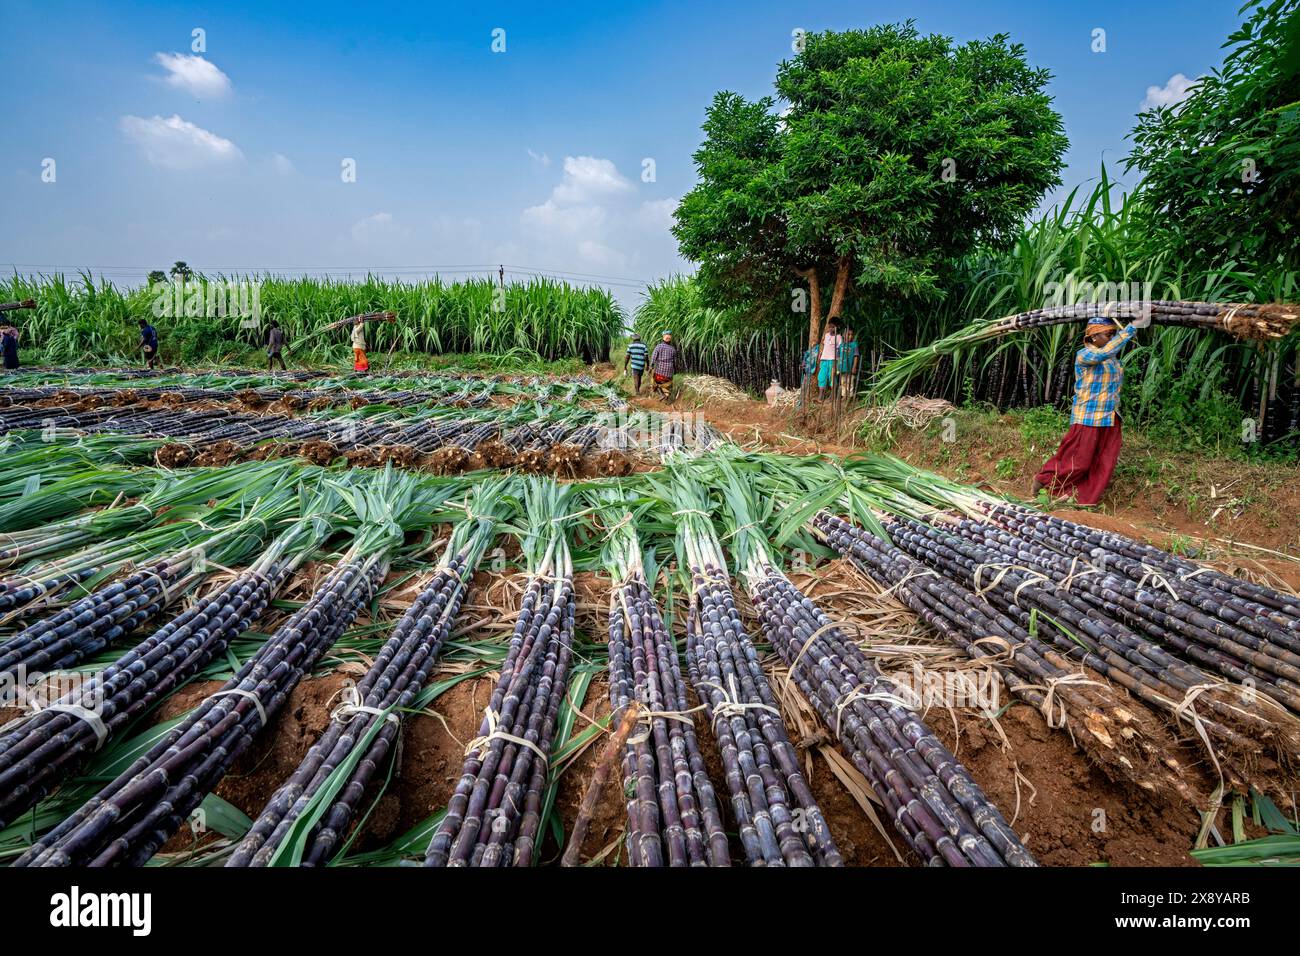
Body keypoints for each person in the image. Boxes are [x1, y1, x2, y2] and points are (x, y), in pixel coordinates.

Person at [1031, 311, 1150, 505]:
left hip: (1110, 416)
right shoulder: (1085, 355)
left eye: (1113, 334)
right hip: (1088, 416)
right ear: (1094, 336)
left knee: (1104, 461)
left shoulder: (1112, 360)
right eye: (1108, 334)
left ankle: (1081, 498)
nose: (1111, 338)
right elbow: (1103, 353)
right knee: (1078, 461)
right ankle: (1044, 480)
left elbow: (1109, 357)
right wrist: (1132, 327)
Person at [649, 330, 677, 403]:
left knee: (654, 383)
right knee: (667, 386)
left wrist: (651, 366)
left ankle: (661, 395)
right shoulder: (673, 349)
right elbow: (675, 361)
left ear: (663, 337)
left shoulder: (659, 346)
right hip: (669, 372)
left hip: (660, 371)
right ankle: (666, 401)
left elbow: (654, 357)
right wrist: (675, 370)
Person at [817, 321, 842, 401]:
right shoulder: (827, 335)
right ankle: (821, 395)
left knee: (832, 378)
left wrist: (838, 361)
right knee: (821, 377)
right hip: (824, 359)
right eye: (830, 327)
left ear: (837, 327)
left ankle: (832, 396)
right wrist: (820, 355)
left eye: (833, 327)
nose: (831, 329)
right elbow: (824, 346)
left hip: (833, 360)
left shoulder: (839, 337)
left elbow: (840, 350)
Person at [837, 327, 860, 401]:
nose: (850, 336)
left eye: (851, 334)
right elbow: (838, 357)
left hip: (850, 367)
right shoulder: (841, 345)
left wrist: (854, 366)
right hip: (842, 368)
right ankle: (844, 395)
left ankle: (850, 396)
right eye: (848, 334)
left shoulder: (854, 345)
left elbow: (856, 356)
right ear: (843, 335)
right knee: (843, 382)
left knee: (850, 382)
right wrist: (837, 367)